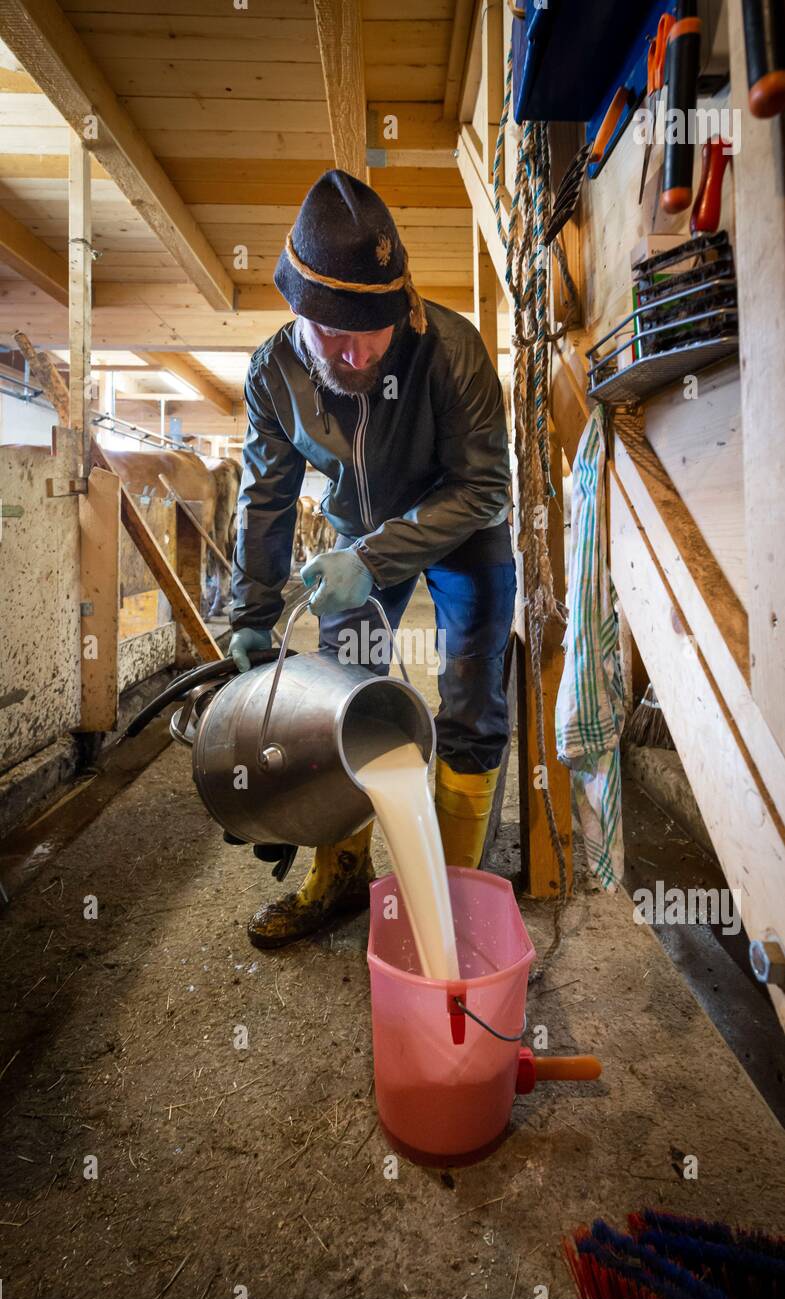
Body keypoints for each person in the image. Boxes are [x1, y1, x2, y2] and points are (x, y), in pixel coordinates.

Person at [230, 169, 515, 949]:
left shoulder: (451, 349)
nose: (352, 355)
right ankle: (344, 875)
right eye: (331, 334)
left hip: (465, 527)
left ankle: (450, 896)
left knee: (470, 698)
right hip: (355, 531)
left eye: (370, 332)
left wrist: (380, 554)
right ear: (296, 312)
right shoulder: (271, 373)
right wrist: (251, 615)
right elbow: (266, 497)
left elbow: (484, 487)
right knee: (342, 698)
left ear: (401, 307)